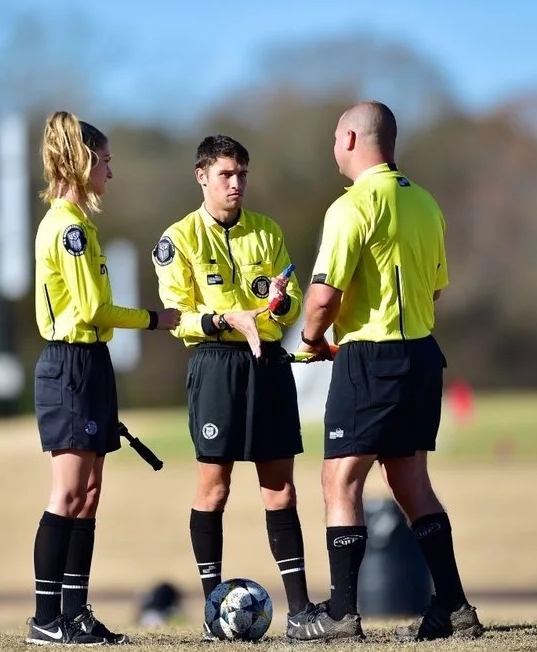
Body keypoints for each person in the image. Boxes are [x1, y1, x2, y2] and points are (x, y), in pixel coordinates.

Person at [286, 101, 484, 642]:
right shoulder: (426, 203)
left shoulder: (349, 208)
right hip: (422, 353)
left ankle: (342, 615)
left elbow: (322, 298)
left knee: (339, 479)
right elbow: (436, 287)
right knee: (409, 480)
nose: (332, 148)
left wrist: (311, 341)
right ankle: (456, 609)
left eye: (334, 138)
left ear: (351, 139)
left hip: (370, 357)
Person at [152, 135, 316, 641]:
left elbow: (286, 305)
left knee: (280, 487)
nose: (236, 183)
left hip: (267, 364)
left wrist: (283, 303)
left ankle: (303, 611)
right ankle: (211, 612)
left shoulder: (266, 231)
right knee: (213, 488)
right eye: (226, 174)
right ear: (202, 176)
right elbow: (179, 316)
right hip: (217, 364)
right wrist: (228, 319)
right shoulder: (178, 238)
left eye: (242, 174)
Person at [26, 111, 181, 647]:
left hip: (92, 365)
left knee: (89, 492)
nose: (111, 173)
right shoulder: (66, 227)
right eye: (106, 161)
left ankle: (74, 612)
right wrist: (155, 319)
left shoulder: (82, 224)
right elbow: (91, 308)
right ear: (82, 160)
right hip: (69, 362)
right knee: (67, 492)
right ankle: (45, 619)